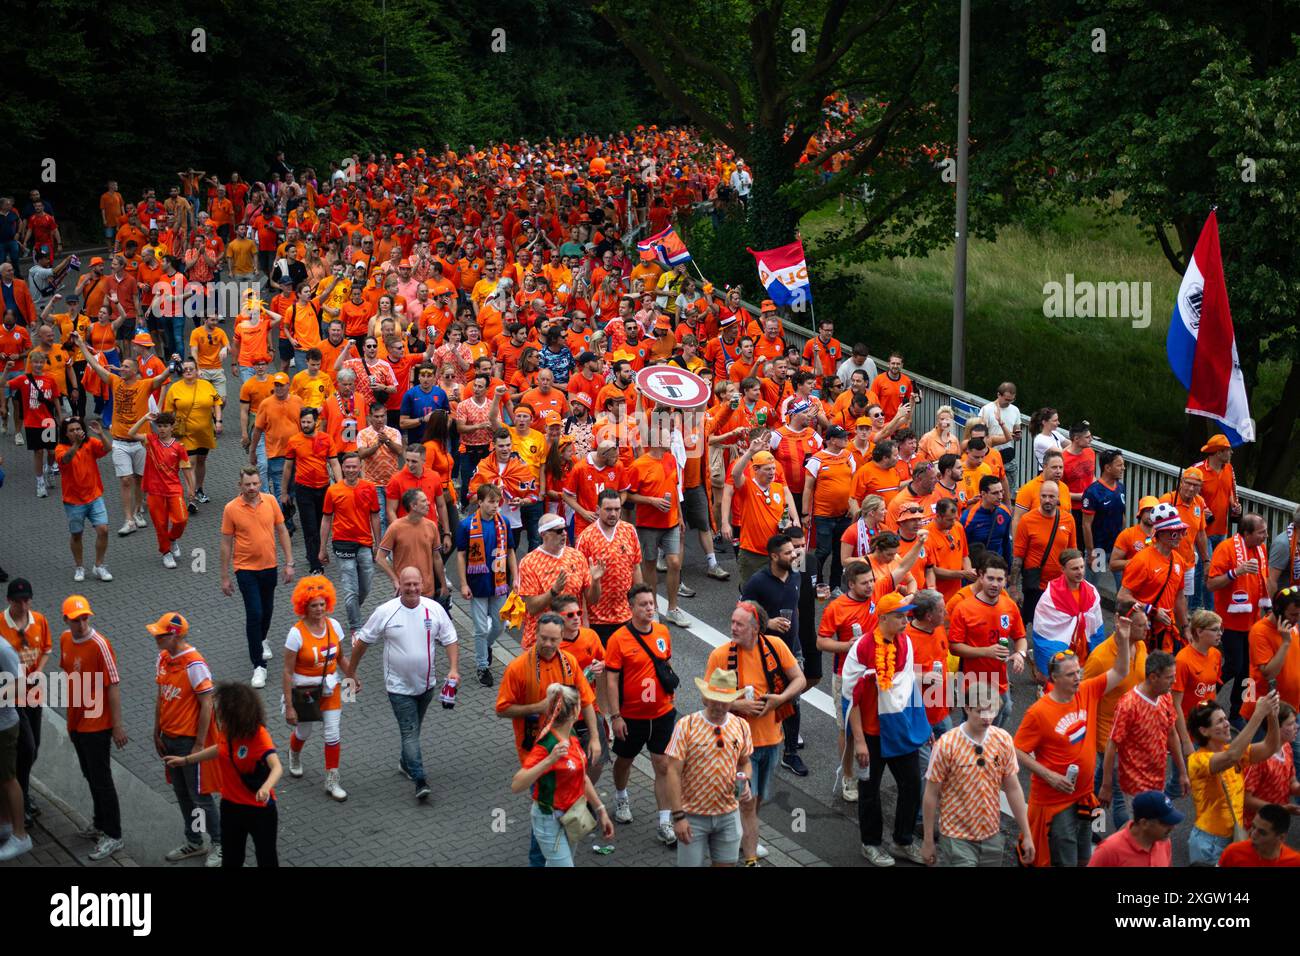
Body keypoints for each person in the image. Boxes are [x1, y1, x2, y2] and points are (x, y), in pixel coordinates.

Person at [1014, 611, 1133, 868]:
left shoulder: (1087, 691)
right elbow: (1018, 751)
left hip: (1083, 794)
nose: (1077, 678)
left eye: (1078, 672)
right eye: (1071, 675)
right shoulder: (1038, 712)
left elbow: (1121, 671)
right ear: (1054, 678)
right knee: (1063, 859)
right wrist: (1049, 775)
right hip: (1055, 802)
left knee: (1083, 856)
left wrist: (1123, 639)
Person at [347, 566, 459, 802]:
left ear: (423, 583)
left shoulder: (434, 609)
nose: (412, 588)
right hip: (397, 687)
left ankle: (405, 763)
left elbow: (450, 638)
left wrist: (454, 669)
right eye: (407, 584)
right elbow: (363, 642)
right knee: (409, 732)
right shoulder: (385, 611)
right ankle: (420, 780)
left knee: (414, 729)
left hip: (427, 685)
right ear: (400, 584)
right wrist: (351, 673)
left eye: (416, 584)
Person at [845, 592, 930, 867]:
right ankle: (870, 844)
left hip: (898, 730)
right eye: (899, 616)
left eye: (907, 615)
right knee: (869, 791)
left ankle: (902, 840)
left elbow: (907, 688)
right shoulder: (861, 648)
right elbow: (851, 699)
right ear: (882, 618)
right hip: (869, 733)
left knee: (912, 784)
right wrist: (858, 741)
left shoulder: (906, 642)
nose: (906, 620)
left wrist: (922, 725)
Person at [164, 681, 283, 868]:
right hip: (231, 807)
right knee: (231, 858)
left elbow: (276, 767)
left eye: (223, 712)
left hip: (259, 810)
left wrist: (266, 787)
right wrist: (187, 760)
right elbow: (219, 748)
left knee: (266, 858)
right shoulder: (228, 730)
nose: (219, 715)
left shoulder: (259, 735)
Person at [604, 585, 680, 845]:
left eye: (651, 603)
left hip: (661, 714)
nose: (649, 608)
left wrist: (670, 692)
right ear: (631, 607)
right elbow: (611, 681)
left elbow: (666, 663)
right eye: (643, 604)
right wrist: (615, 716)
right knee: (624, 760)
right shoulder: (618, 639)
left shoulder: (662, 632)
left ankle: (664, 822)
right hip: (631, 716)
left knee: (662, 764)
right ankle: (621, 796)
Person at [920, 693, 1033, 867]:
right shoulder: (946, 744)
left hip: (991, 836)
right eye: (981, 711)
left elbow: (1013, 789)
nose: (988, 717)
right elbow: (931, 793)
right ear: (967, 708)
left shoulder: (1003, 740)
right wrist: (928, 840)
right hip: (956, 837)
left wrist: (1027, 833)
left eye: (992, 710)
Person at [509, 682, 614, 867]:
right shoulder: (548, 744)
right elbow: (516, 784)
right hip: (549, 820)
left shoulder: (571, 736)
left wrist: (601, 810)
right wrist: (549, 760)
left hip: (572, 815)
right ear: (575, 711)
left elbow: (582, 777)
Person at [148, 611, 222, 866]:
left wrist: (199, 744)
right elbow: (161, 696)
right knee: (182, 794)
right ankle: (194, 841)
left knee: (200, 795)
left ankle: (219, 843)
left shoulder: (194, 664)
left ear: (175, 635)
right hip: (168, 739)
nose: (156, 637)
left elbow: (207, 705)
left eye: (161, 634)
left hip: (187, 743)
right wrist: (156, 730)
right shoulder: (162, 658)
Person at [58, 594, 127, 861]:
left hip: (97, 725)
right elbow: (68, 676)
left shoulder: (100, 644)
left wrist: (117, 725)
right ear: (66, 619)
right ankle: (100, 823)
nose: (82, 623)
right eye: (76, 619)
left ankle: (114, 834)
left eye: (85, 617)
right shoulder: (65, 639)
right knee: (90, 775)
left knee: (101, 779)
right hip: (76, 722)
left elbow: (113, 684)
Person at [664, 668, 754, 868]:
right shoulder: (686, 726)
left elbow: (745, 762)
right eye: (714, 699)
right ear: (705, 698)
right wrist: (678, 817)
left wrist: (745, 781)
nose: (719, 706)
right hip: (692, 817)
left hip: (728, 816)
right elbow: (672, 772)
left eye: (724, 701)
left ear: (732, 701)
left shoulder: (741, 726)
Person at [739, 534, 808, 778]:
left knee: (793, 700)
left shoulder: (796, 575)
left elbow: (796, 606)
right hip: (766, 650)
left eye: (794, 551)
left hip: (792, 648)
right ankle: (754, 746)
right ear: (774, 556)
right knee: (766, 698)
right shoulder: (758, 582)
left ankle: (790, 753)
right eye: (789, 552)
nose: (795, 555)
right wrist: (768, 622)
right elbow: (741, 613)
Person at [220, 466, 295, 687]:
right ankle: (258, 666)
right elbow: (225, 543)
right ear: (239, 485)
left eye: (255, 484)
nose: (252, 488)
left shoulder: (271, 501)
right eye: (247, 485)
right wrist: (224, 576)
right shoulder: (231, 509)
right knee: (254, 612)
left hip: (269, 566)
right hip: (244, 569)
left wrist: (289, 562)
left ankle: (261, 639)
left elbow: (281, 530)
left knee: (267, 611)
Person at [1185, 693, 1280, 865]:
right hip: (1209, 845)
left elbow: (1270, 747)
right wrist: (1258, 714)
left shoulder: (1232, 750)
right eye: (1220, 721)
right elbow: (1232, 756)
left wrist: (1272, 715)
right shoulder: (1197, 761)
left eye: (1225, 718)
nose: (1227, 723)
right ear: (1203, 731)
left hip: (1233, 838)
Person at [282, 576, 350, 802]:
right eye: (314, 605)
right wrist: (290, 707)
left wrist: (352, 678)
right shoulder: (296, 633)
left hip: (330, 689)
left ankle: (332, 780)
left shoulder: (335, 626)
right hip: (305, 693)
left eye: (322, 604)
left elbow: (340, 657)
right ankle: (294, 754)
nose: (319, 609)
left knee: (332, 733)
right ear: (304, 607)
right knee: (304, 732)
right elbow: (287, 672)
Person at [1102, 651, 1188, 829]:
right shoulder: (1128, 705)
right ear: (1153, 677)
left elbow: (1172, 734)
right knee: (1141, 832)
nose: (1174, 682)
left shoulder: (1165, 696)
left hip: (1158, 780)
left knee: (1156, 830)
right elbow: (1112, 745)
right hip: (1134, 785)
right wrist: (1106, 785)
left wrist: (1182, 772)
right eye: (1169, 678)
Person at [1205, 513, 1270, 724]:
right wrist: (1236, 572)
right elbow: (1211, 584)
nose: (1266, 536)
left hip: (1254, 622)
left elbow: (1264, 580)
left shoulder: (1261, 549)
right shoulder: (1226, 548)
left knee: (1248, 669)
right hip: (1230, 621)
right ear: (1246, 533)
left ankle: (1237, 712)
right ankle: (1205, 696)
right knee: (1234, 665)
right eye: (1262, 532)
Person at [949, 556, 1026, 728]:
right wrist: (986, 652)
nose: (995, 584)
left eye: (1000, 579)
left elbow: (1020, 637)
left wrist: (1020, 653)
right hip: (973, 680)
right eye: (990, 578)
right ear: (981, 577)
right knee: (976, 723)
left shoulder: (1009, 606)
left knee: (1004, 711)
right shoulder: (964, 608)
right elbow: (954, 647)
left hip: (999, 678)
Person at [455, 483, 517, 686]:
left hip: (499, 583)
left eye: (497, 502)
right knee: (481, 628)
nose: (495, 506)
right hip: (478, 584)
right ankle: (482, 666)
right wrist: (463, 584)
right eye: (491, 502)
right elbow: (461, 555)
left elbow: (510, 552)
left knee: (500, 625)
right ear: (479, 502)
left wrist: (515, 577)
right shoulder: (466, 526)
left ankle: (486, 646)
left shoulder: (504, 523)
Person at [626, 437, 691, 627]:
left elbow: (675, 488)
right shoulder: (639, 465)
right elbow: (628, 495)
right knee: (650, 565)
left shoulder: (670, 459)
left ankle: (672, 609)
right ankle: (652, 608)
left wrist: (679, 516)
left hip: (670, 522)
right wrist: (651, 501)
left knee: (674, 562)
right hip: (648, 524)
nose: (669, 440)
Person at [318, 452, 381, 634]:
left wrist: (378, 544)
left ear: (360, 467)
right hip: (342, 544)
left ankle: (353, 609)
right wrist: (322, 549)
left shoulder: (369, 488)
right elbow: (326, 520)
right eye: (348, 467)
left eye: (354, 466)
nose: (351, 470)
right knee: (350, 589)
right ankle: (356, 627)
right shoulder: (333, 491)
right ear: (342, 468)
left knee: (366, 586)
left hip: (364, 543)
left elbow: (375, 516)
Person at [516, 512, 598, 649]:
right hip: (543, 640)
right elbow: (532, 607)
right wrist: (553, 591)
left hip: (573, 637)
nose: (564, 534)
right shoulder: (529, 562)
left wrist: (596, 582)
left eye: (565, 529)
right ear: (544, 535)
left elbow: (591, 600)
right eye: (559, 531)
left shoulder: (576, 556)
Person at [1117, 502, 1190, 653]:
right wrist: (1152, 610)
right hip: (1144, 631)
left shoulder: (1179, 560)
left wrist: (1185, 628)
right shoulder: (1142, 560)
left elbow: (1179, 598)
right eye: (1174, 533)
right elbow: (1123, 596)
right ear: (1160, 534)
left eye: (1181, 531)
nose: (1179, 537)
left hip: (1168, 629)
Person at [128, 411, 195, 569]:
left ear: (172, 427)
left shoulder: (179, 447)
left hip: (173, 490)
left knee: (181, 519)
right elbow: (131, 433)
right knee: (160, 524)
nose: (162, 429)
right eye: (159, 426)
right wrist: (145, 417)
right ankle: (166, 553)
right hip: (155, 491)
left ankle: (172, 539)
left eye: (165, 426)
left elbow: (186, 468)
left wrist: (191, 488)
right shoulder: (150, 440)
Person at [575, 488, 643, 644]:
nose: (613, 513)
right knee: (602, 666)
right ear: (598, 510)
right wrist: (584, 621)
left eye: (617, 509)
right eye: (608, 509)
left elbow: (636, 567)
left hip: (626, 615)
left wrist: (640, 604)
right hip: (598, 620)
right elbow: (579, 586)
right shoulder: (586, 538)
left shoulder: (629, 531)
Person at [728, 441, 801, 583]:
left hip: (776, 552)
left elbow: (782, 516)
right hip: (752, 554)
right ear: (755, 469)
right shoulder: (747, 486)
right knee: (752, 596)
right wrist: (750, 452)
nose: (772, 472)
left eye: (773, 469)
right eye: (768, 469)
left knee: (778, 591)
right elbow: (735, 474)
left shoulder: (778, 488)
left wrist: (790, 522)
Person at [53, 416, 114, 582]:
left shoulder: (91, 443)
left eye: (78, 429)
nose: (76, 432)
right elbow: (65, 460)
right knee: (76, 535)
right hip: (73, 502)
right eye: (71, 430)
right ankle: (79, 566)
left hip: (94, 496)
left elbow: (108, 449)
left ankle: (99, 565)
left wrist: (101, 434)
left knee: (103, 530)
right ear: (65, 434)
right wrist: (76, 445)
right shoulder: (60, 448)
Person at [281, 406, 339, 574]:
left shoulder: (326, 439)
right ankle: (315, 565)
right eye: (303, 421)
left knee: (322, 525)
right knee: (310, 527)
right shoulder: (294, 441)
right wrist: (284, 493)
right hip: (303, 489)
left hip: (323, 488)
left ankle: (317, 552)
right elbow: (287, 468)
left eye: (308, 421)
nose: (305, 424)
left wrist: (340, 486)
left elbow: (334, 463)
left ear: (316, 422)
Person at [1010, 480, 1076, 625]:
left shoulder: (1068, 520)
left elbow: (1073, 555)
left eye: (1051, 496)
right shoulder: (1027, 520)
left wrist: (1075, 583)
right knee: (1030, 621)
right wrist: (1014, 588)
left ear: (1058, 498)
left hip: (1060, 585)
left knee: (1056, 624)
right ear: (1039, 497)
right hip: (1035, 585)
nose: (1047, 500)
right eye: (1044, 496)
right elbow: (1018, 557)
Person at [163, 357, 223, 508]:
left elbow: (217, 402)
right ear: (181, 371)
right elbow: (168, 412)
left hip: (205, 432)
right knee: (190, 462)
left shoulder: (206, 385)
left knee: (201, 461)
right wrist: (168, 431)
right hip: (185, 433)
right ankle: (191, 497)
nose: (188, 371)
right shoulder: (175, 388)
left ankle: (199, 489)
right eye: (185, 369)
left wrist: (218, 421)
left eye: (191, 368)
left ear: (197, 371)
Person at [376, 489, 447, 599]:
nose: (428, 503)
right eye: (423, 501)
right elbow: (380, 558)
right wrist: (395, 579)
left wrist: (443, 585)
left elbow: (437, 558)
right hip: (405, 591)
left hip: (428, 591)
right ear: (413, 506)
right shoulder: (395, 527)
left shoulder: (432, 526)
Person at [1087, 790, 1182, 867]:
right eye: (1164, 823)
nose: (1172, 827)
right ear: (1144, 823)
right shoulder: (1108, 851)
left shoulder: (1164, 842)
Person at [1218, 803, 1300, 867]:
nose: (1253, 834)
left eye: (1262, 832)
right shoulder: (1232, 852)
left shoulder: (1295, 862)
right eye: (1253, 827)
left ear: (1281, 837)